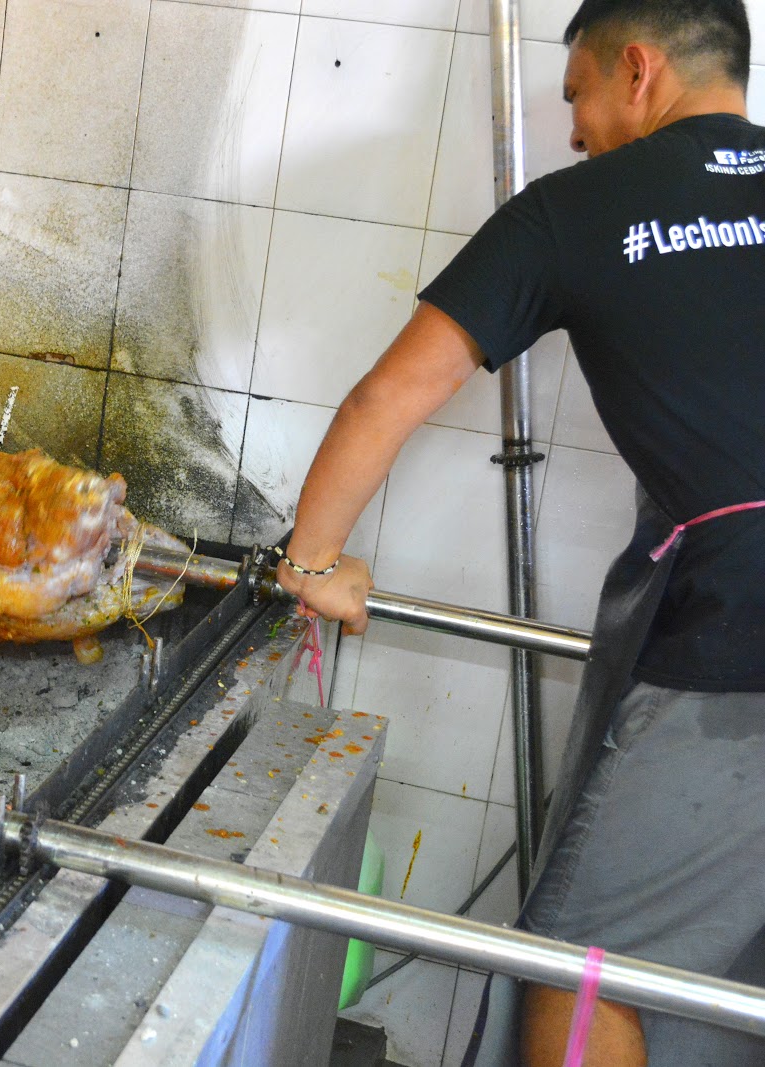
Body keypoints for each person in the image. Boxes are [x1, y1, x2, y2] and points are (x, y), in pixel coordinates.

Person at [272, 1, 765, 1063]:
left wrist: (310, 562)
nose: (576, 126)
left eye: (578, 92)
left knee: (587, 967)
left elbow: (388, 395)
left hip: (740, 637)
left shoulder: (574, 211)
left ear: (637, 69)